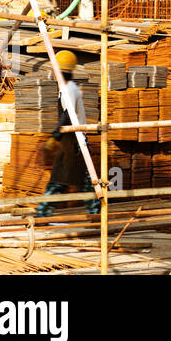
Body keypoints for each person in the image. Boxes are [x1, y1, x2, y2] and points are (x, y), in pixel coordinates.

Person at [36, 50, 101, 218]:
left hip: (75, 141)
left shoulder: (69, 89)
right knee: (84, 182)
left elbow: (68, 115)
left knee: (60, 180)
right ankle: (96, 214)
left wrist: (54, 137)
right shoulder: (65, 88)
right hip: (72, 140)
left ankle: (43, 214)